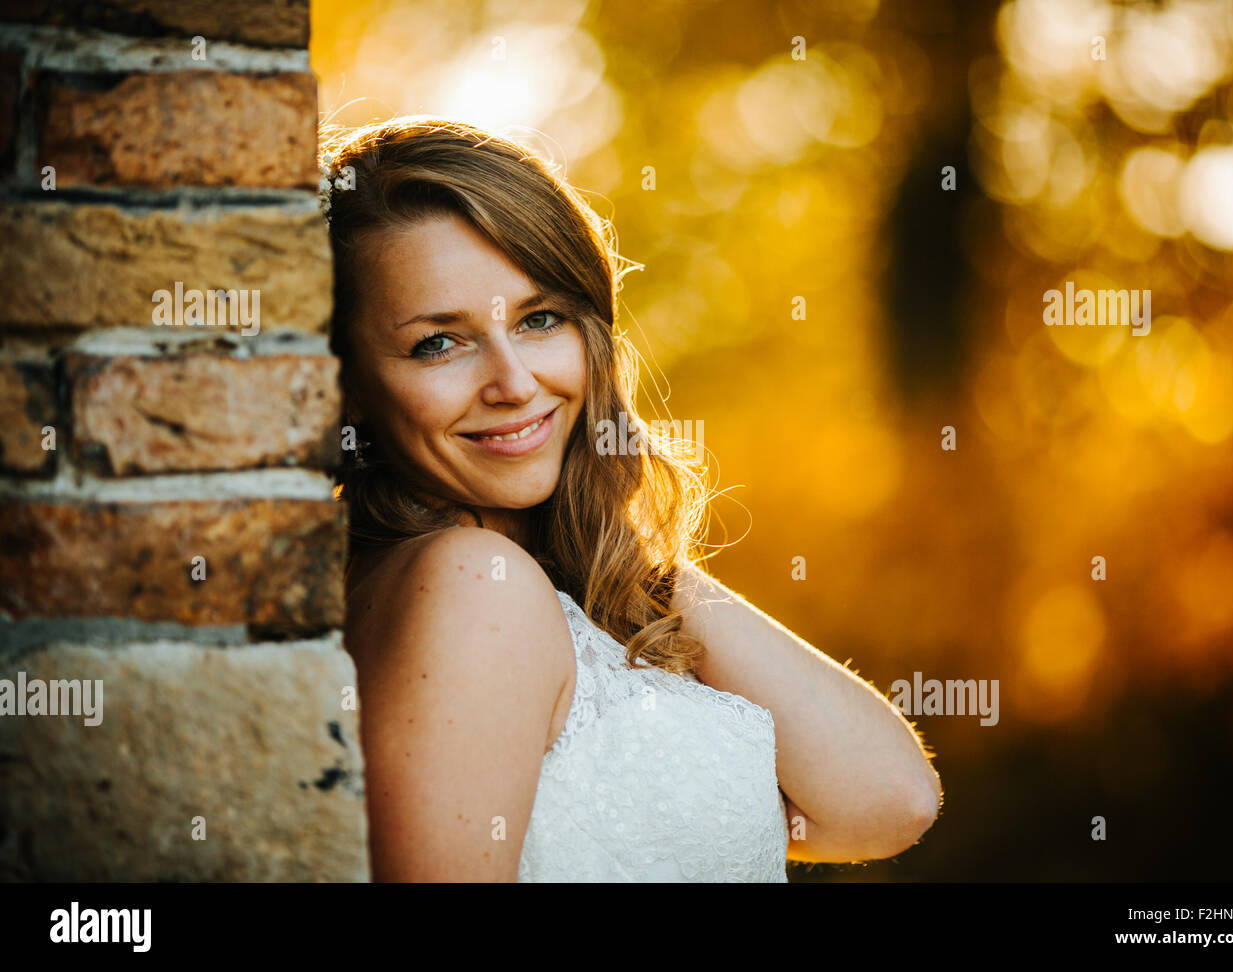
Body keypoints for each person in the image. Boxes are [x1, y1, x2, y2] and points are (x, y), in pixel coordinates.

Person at [319, 117, 942, 881]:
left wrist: (617, 558)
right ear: (345, 388)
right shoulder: (470, 583)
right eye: (437, 343)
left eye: (539, 319)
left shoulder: (545, 584)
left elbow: (888, 800)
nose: (515, 382)